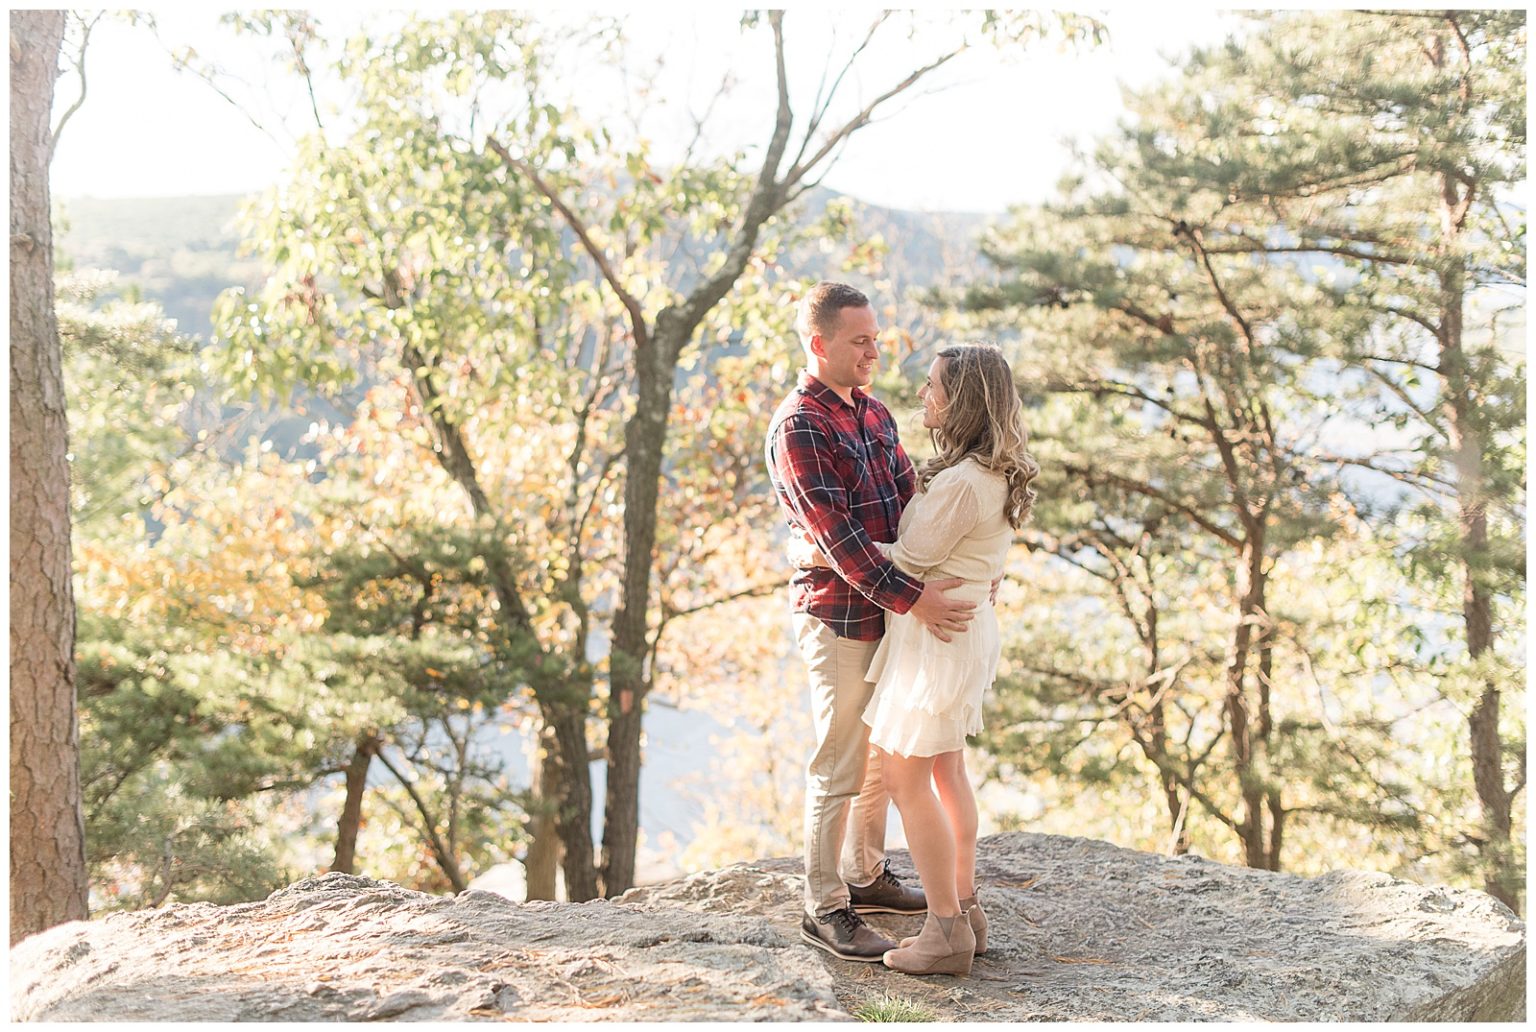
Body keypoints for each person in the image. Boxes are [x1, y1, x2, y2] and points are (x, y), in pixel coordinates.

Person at [765, 282, 979, 963]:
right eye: (860, 341)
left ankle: (866, 875)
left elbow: (911, 505)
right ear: (818, 344)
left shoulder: (876, 414)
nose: (874, 351)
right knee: (839, 763)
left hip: (889, 613)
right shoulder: (799, 425)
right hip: (839, 618)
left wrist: (971, 558)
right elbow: (841, 541)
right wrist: (918, 598)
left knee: (884, 761)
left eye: (876, 338)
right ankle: (825, 906)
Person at [862, 342, 1038, 977]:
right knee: (946, 770)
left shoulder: (965, 482)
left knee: (906, 778)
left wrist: (821, 553)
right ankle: (966, 909)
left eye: (933, 386)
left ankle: (945, 932)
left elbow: (907, 558)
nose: (922, 396)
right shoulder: (986, 473)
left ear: (962, 400)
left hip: (937, 641)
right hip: (959, 631)